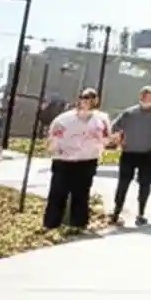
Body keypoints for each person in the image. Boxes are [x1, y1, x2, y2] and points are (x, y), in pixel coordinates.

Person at [43, 88, 113, 232]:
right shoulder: (64, 119)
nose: (88, 101)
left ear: (96, 101)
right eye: (85, 98)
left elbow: (106, 138)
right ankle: (51, 224)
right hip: (64, 161)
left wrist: (103, 143)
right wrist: (54, 149)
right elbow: (53, 138)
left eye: (92, 98)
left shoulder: (101, 119)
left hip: (87, 160)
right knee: (57, 193)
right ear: (79, 99)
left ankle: (78, 225)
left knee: (81, 194)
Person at [109, 86, 151, 226]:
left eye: (148, 96)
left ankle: (141, 213)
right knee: (123, 183)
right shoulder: (129, 113)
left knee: (145, 184)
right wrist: (119, 140)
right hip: (129, 153)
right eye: (143, 95)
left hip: (149, 154)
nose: (145, 99)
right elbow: (114, 128)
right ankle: (116, 212)